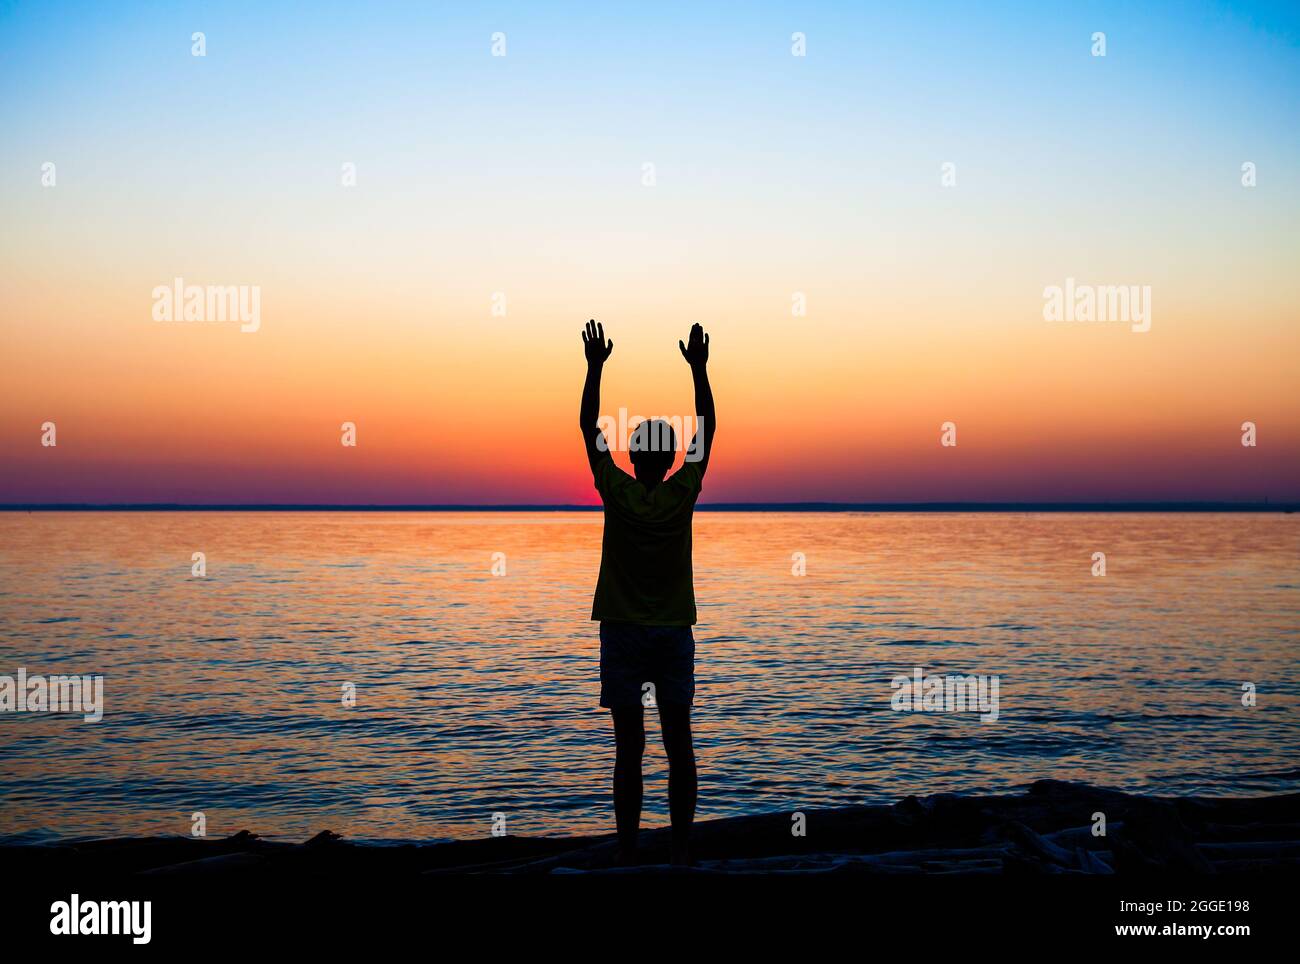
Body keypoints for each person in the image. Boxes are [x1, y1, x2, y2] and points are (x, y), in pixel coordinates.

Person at [579, 319, 716, 866]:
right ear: (669, 460)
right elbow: (708, 426)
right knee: (678, 746)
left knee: (628, 750)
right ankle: (681, 851)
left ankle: (631, 853)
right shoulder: (683, 491)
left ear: (635, 459)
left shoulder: (616, 491)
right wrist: (700, 370)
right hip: (672, 633)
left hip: (623, 633)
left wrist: (594, 368)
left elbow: (588, 424)